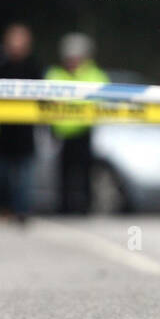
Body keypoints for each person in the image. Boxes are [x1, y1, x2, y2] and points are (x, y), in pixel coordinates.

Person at [44, 33, 109, 214]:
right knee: (63, 174)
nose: (72, 60)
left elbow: (99, 101)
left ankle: (85, 207)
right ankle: (63, 208)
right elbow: (49, 100)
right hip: (61, 134)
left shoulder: (94, 74)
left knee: (85, 173)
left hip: (84, 132)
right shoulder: (55, 74)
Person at [0, 23, 42, 222]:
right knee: (2, 174)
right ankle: (4, 208)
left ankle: (22, 211)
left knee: (25, 175)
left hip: (25, 131)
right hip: (2, 131)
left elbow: (43, 97)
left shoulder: (34, 66)